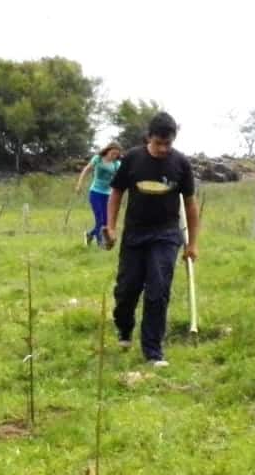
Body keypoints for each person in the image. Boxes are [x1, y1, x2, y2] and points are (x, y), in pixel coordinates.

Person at [103, 114, 199, 367]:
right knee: (127, 290)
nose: (164, 149)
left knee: (158, 291)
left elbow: (190, 205)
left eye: (168, 144)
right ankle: (124, 328)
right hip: (135, 234)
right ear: (149, 138)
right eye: (159, 144)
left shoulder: (181, 164)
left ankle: (153, 352)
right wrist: (111, 227)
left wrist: (193, 244)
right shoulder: (133, 159)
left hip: (166, 235)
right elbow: (116, 193)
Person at [75, 142, 123, 246]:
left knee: (105, 222)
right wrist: (79, 184)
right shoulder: (98, 158)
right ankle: (100, 243)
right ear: (108, 150)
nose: (114, 156)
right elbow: (86, 170)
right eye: (113, 153)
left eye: (116, 155)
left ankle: (89, 234)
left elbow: (122, 177)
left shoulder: (116, 164)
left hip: (108, 194)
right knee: (99, 219)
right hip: (95, 192)